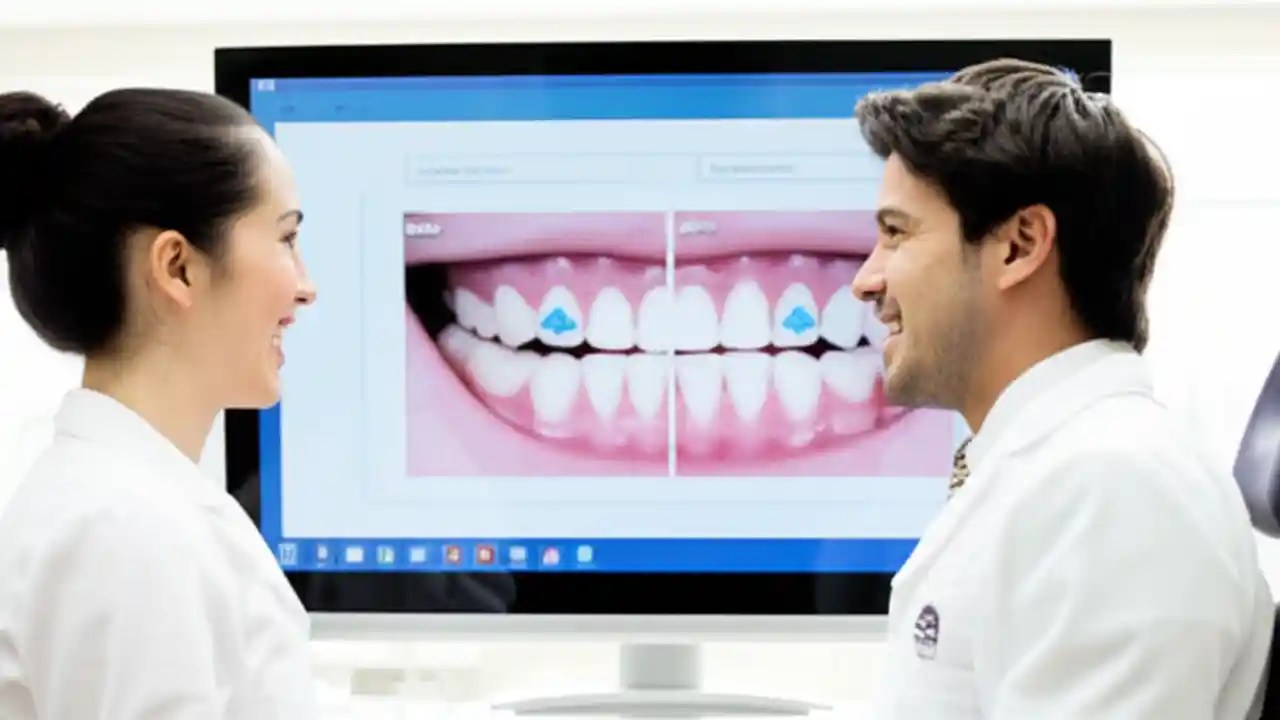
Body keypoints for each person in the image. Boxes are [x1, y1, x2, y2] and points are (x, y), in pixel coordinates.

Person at [850, 58, 1274, 719]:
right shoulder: (1058, 471)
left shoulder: (1115, 486)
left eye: (896, 234)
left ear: (1020, 245)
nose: (866, 280)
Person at [0, 87, 318, 717]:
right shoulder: (123, 532)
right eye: (285, 239)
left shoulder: (132, 506)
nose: (305, 288)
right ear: (178, 267)